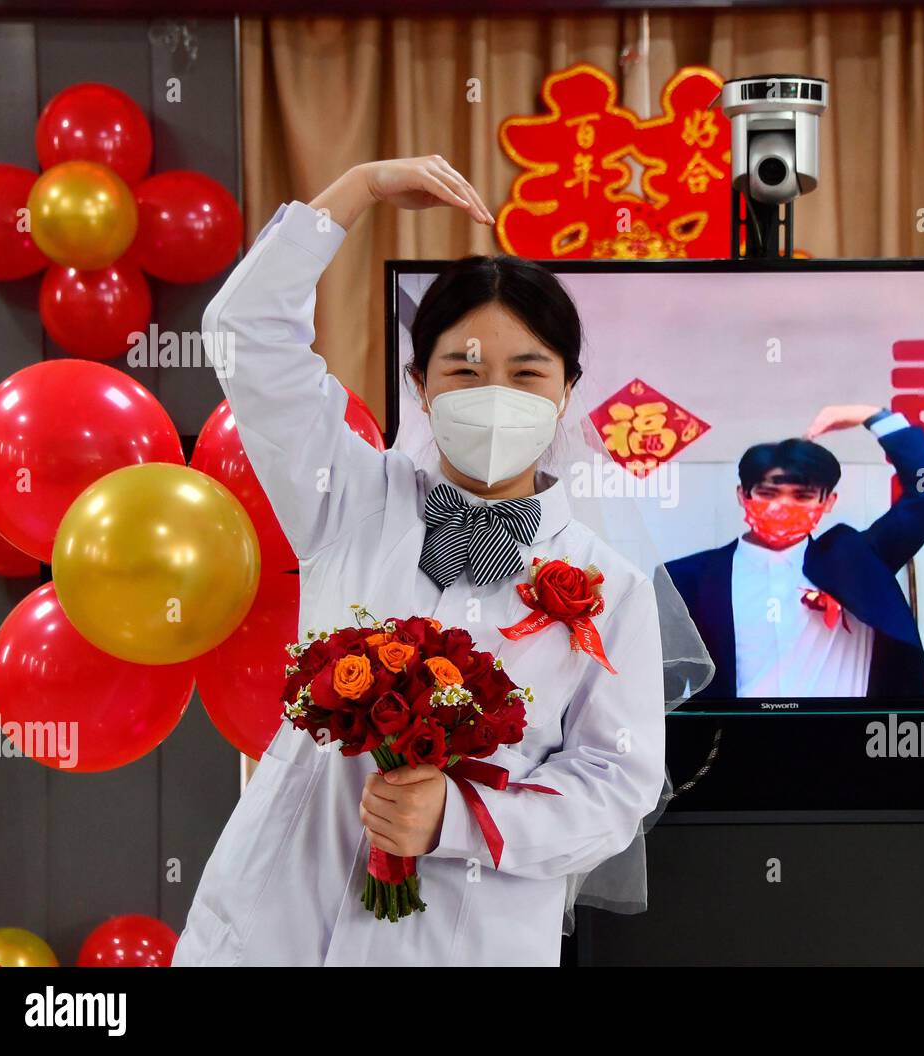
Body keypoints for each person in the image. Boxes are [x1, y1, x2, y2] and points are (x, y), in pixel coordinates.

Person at [172, 156, 672, 967]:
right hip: (274, 927)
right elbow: (247, 336)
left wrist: (455, 819)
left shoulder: (607, 585)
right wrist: (357, 191)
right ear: (420, 383)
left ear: (569, 390)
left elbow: (617, 785)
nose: (496, 393)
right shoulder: (348, 496)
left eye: (527, 372)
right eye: (465, 370)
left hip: (470, 937)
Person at [664, 406, 924, 700]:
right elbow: (663, 688)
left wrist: (873, 416)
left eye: (802, 496)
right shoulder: (686, 579)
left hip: (849, 741)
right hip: (740, 741)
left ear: (828, 501)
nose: (782, 506)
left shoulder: (857, 561)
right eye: (768, 493)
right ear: (743, 495)